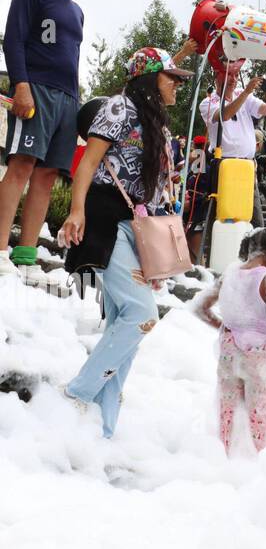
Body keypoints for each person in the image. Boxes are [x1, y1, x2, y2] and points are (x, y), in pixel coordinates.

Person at [61, 47, 193, 437]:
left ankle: (104, 428)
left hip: (137, 227)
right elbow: (88, 162)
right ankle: (77, 393)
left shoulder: (159, 125)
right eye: (172, 78)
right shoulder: (119, 108)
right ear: (151, 79)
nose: (178, 86)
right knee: (141, 314)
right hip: (107, 220)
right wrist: (76, 210)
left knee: (122, 321)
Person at [0, 0, 98, 278]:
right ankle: (0, 249)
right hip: (35, 88)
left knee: (47, 175)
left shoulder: (78, 12)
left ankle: (25, 256)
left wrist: (78, 105)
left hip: (68, 98)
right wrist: (21, 84)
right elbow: (13, 39)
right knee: (21, 165)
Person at [195, 225, 266, 454]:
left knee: (226, 413)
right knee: (259, 416)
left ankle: (224, 459)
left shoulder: (229, 275)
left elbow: (200, 308)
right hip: (258, 355)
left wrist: (228, 327)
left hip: (228, 350)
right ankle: (259, 463)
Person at [198, 68, 266, 247]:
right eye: (228, 75)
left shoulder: (242, 94)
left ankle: (258, 259)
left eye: (235, 75)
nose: (233, 79)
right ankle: (213, 254)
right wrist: (247, 92)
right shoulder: (208, 102)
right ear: (217, 76)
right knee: (220, 215)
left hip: (247, 166)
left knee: (255, 218)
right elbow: (224, 115)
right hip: (224, 165)